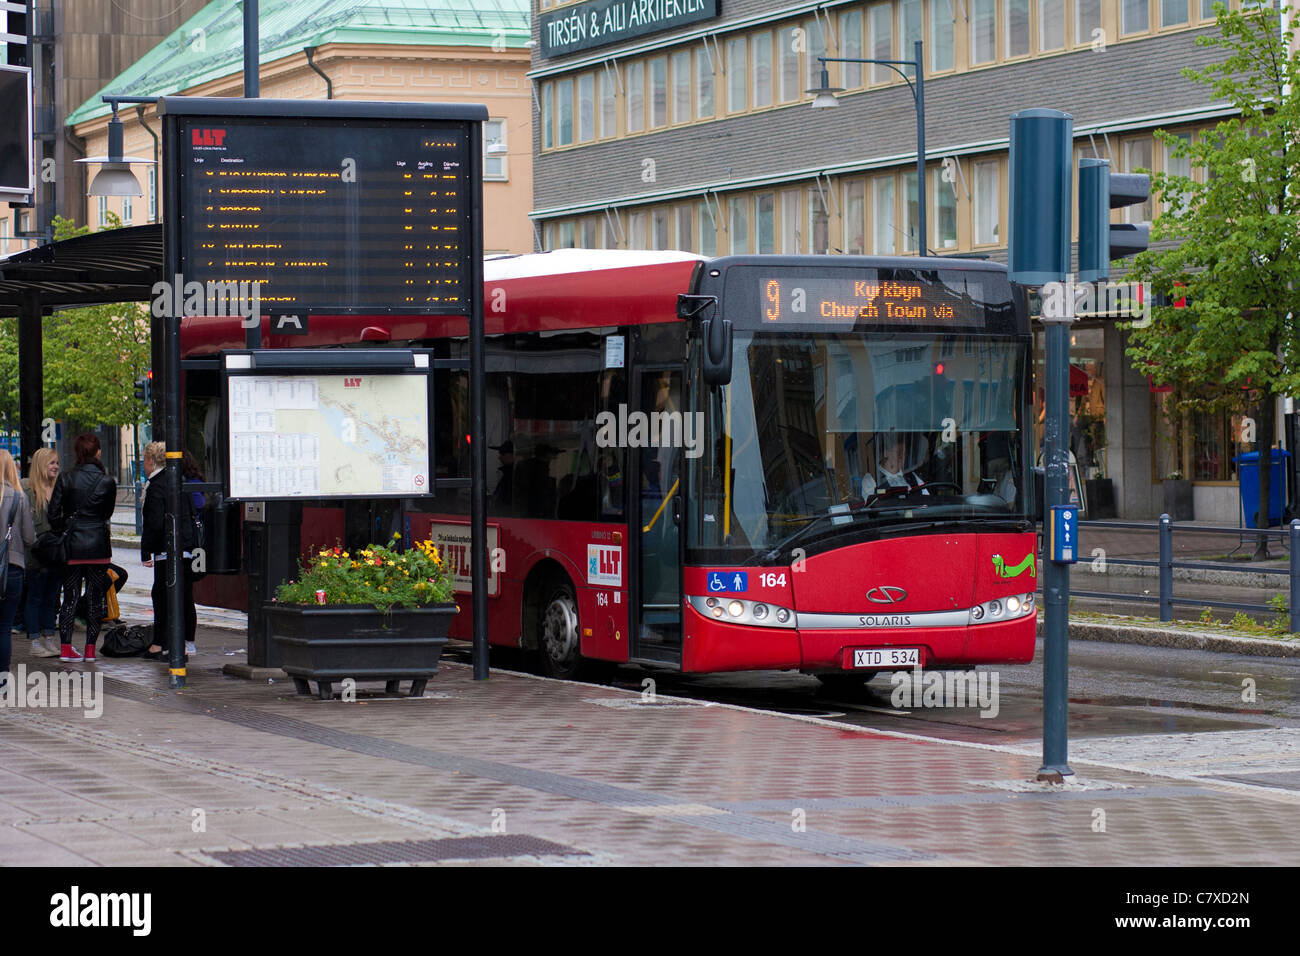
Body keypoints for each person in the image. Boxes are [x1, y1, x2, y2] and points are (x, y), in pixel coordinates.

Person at [47, 433, 116, 663]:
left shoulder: (65, 478)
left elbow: (53, 514)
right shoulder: (107, 482)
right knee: (96, 599)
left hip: (72, 548)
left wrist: (64, 530)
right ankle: (89, 650)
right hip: (97, 546)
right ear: (97, 452)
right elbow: (107, 513)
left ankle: (66, 648)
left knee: (70, 596)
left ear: (78, 453)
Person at [140, 442, 197, 661]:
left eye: (145, 460)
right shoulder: (178, 481)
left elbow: (153, 523)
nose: (144, 465)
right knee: (183, 596)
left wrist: (146, 551)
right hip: (185, 548)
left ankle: (165, 645)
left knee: (162, 596)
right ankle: (183, 643)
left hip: (167, 550)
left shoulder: (156, 485)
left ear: (152, 461)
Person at [0, 450, 36, 686]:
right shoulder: (19, 498)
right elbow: (31, 537)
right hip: (11, 568)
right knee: (4, 627)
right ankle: (2, 679)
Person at [23, 447, 62, 658]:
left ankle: (49, 638)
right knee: (35, 597)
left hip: (55, 553)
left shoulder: (58, 489)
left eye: (57, 462)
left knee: (52, 598)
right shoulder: (29, 492)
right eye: (51, 463)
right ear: (41, 466)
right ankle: (34, 641)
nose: (55, 467)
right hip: (37, 554)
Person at [862, 433, 930, 497]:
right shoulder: (870, 479)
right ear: (885, 453)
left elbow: (927, 502)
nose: (902, 456)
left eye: (904, 452)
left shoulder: (913, 477)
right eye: (899, 452)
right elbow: (870, 506)